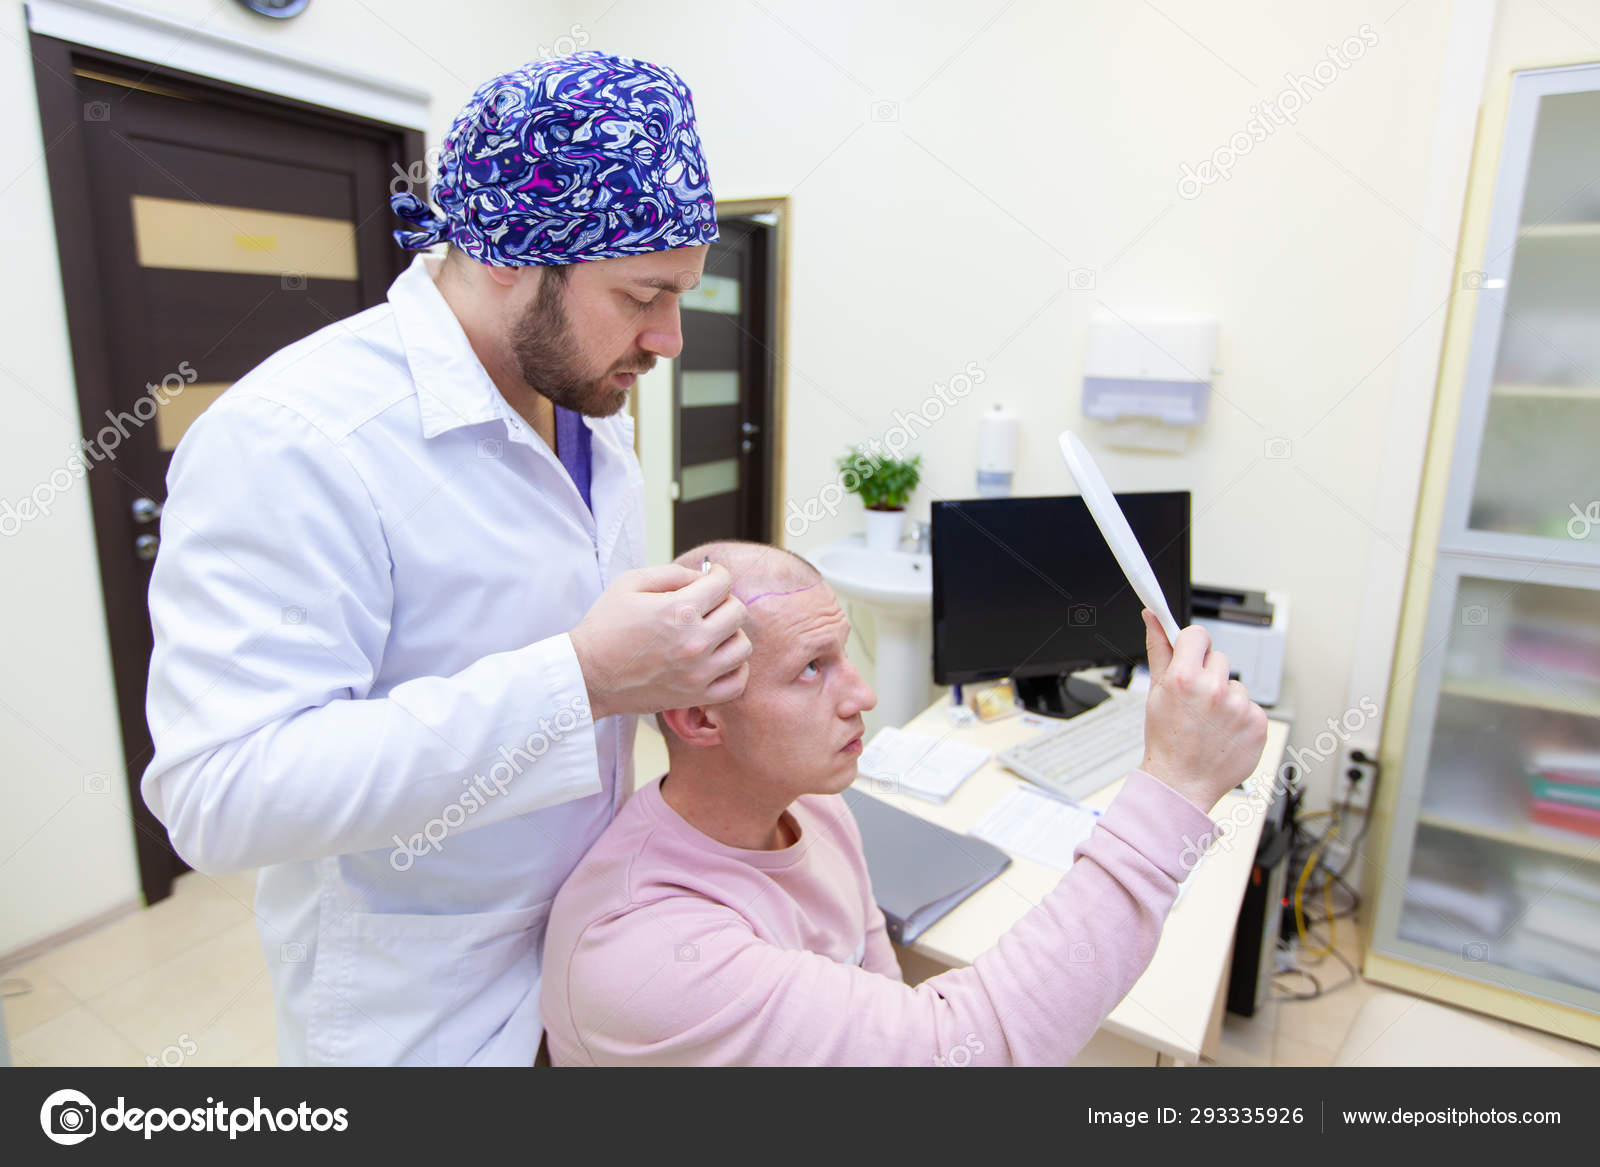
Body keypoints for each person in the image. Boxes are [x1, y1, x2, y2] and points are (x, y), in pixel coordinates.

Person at [141, 52, 750, 1066]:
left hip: (590, 961)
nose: (671, 338)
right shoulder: (298, 438)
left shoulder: (587, 402)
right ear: (508, 252)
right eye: (643, 293)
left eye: (682, 293)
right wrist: (583, 679)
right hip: (420, 1021)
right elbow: (221, 796)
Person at [540, 540, 1268, 1066]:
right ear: (699, 718)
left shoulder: (817, 809)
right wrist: (1173, 789)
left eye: (844, 654)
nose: (863, 696)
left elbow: (875, 977)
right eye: (812, 669)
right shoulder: (645, 949)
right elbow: (961, 1053)